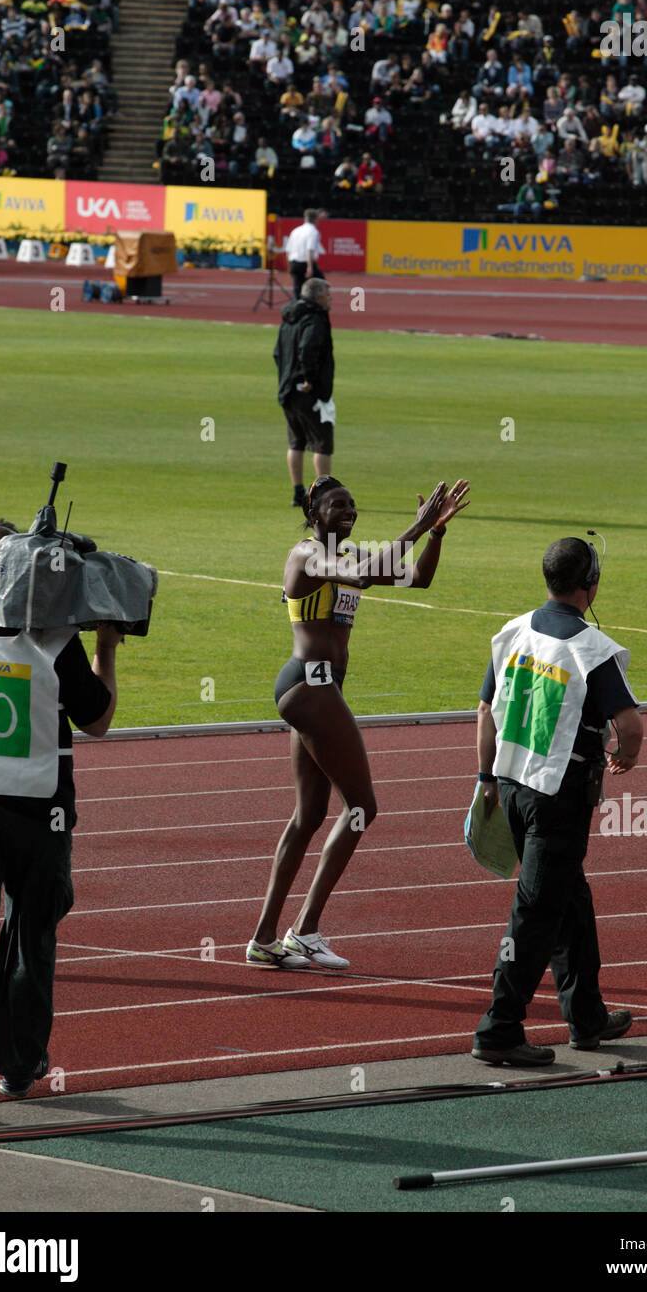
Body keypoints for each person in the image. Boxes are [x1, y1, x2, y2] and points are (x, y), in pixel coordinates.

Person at [0, 521, 122, 1128]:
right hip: (41, 814)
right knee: (32, 937)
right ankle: (19, 1066)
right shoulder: (57, 639)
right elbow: (98, 721)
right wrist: (108, 646)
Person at [247, 475, 470, 970]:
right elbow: (369, 574)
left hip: (316, 689)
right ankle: (304, 931)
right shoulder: (307, 555)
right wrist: (416, 523)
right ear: (314, 511)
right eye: (336, 504)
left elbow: (418, 578)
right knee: (362, 806)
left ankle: (264, 939)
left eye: (352, 504)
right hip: (312, 684)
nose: (348, 511)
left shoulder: (344, 560)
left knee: (309, 816)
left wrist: (435, 533)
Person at [471, 537, 642, 1067]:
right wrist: (625, 757)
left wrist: (487, 779)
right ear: (589, 585)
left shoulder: (514, 631)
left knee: (569, 900)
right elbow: (630, 725)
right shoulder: (590, 647)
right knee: (537, 911)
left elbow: (484, 711)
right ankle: (498, 1029)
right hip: (559, 795)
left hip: (514, 785)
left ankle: (586, 1017)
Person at [275, 277, 339, 508]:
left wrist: (286, 378)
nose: (331, 299)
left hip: (287, 389)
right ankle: (324, 496)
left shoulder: (289, 318)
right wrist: (310, 380)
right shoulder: (315, 318)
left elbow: (277, 353)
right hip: (307, 391)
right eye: (329, 295)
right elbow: (308, 348)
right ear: (318, 296)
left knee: (296, 442)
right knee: (322, 443)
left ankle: (298, 492)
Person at [285, 207, 325, 299]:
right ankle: (315, 306)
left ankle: (296, 308)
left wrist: (289, 266)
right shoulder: (313, 231)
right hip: (304, 263)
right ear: (315, 219)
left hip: (294, 263)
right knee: (321, 283)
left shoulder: (295, 230)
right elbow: (309, 250)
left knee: (297, 289)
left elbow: (288, 251)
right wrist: (310, 267)